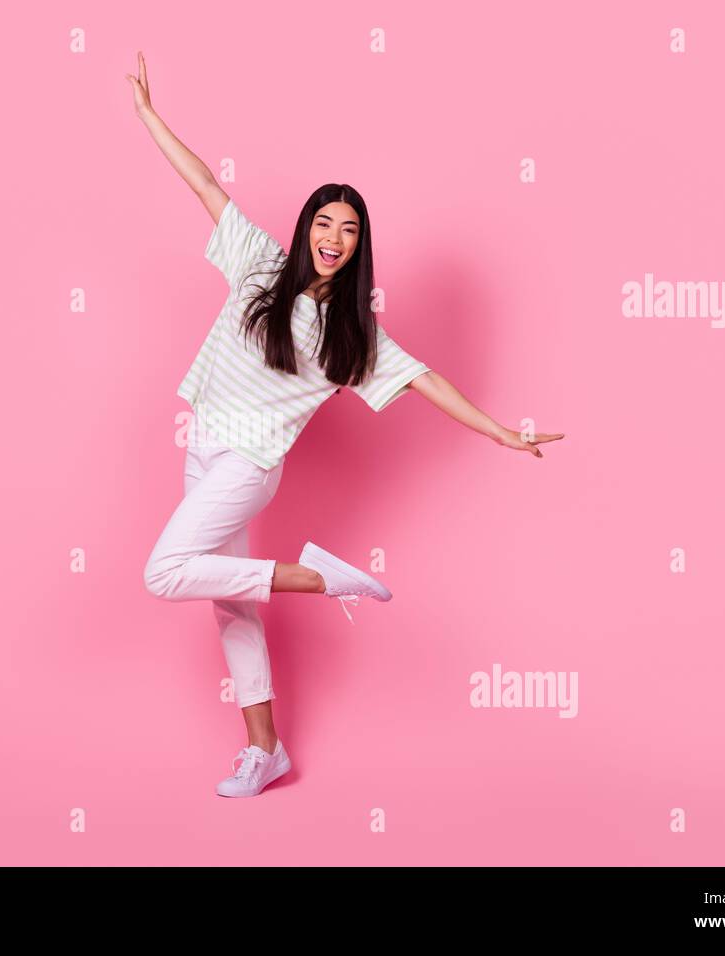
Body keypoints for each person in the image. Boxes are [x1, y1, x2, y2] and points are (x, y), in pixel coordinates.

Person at [126, 52, 565, 797]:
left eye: (349, 229)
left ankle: (320, 576)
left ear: (360, 246)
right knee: (230, 605)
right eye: (324, 222)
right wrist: (148, 116)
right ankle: (265, 752)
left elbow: (426, 378)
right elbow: (206, 182)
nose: (334, 235)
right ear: (305, 230)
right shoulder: (259, 264)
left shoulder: (353, 336)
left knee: (164, 571)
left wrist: (501, 431)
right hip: (202, 446)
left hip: (247, 465)